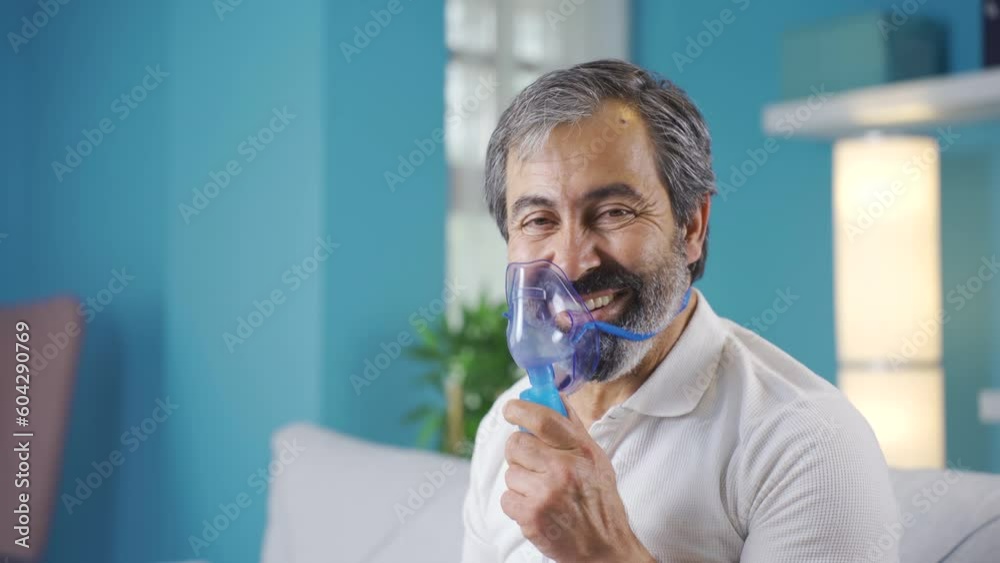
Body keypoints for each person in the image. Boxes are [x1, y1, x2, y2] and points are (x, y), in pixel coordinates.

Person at [461, 59, 900, 563]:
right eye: (539, 220)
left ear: (692, 226)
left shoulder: (807, 443)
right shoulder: (503, 428)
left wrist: (604, 552)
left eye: (614, 212)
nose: (574, 262)